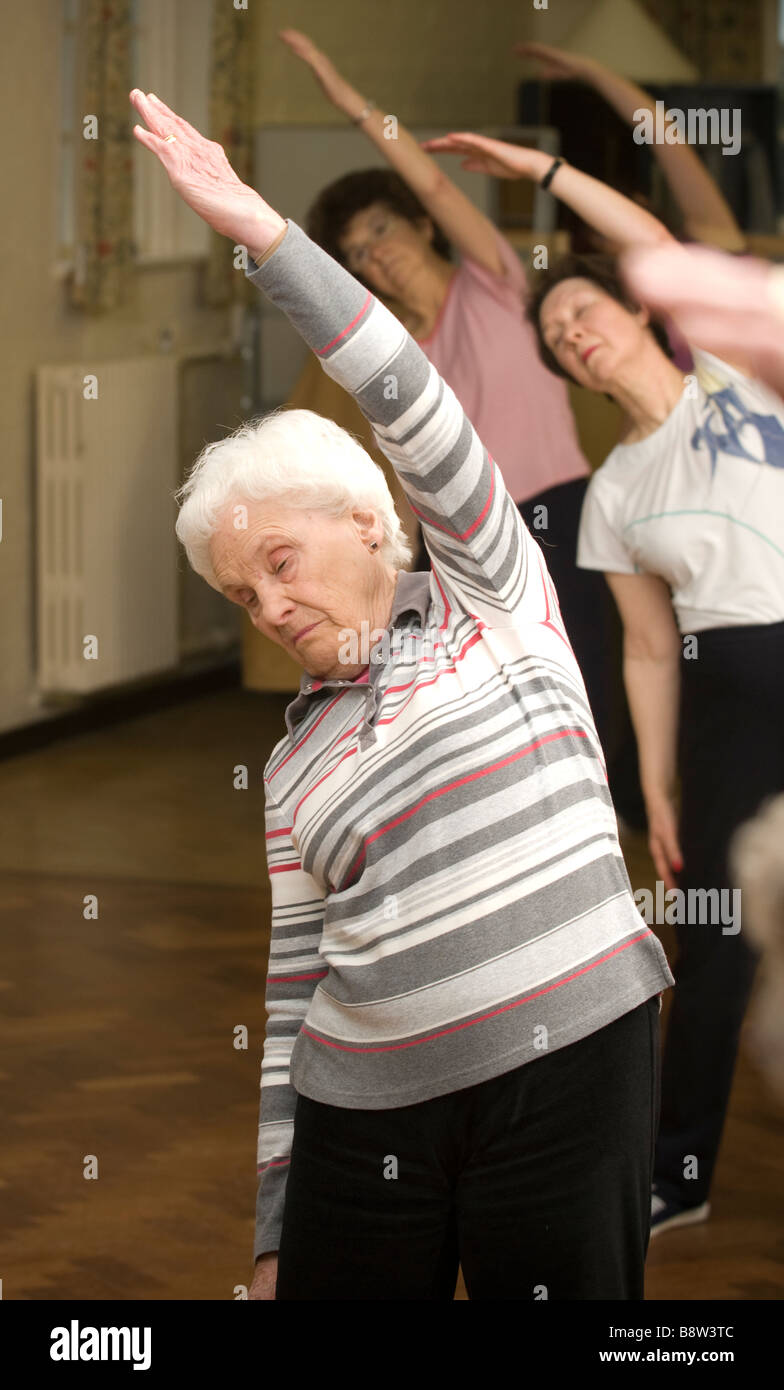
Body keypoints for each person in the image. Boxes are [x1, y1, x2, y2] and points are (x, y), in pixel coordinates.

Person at [130, 87, 674, 1300]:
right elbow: (291, 990)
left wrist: (265, 236)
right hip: (362, 1104)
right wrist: (272, 1227)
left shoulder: (493, 589)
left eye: (279, 562)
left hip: (571, 1055)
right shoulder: (290, 765)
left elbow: (404, 395)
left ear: (376, 524)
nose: (265, 607)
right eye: (239, 593)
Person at [427, 130, 784, 1236]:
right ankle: (677, 1168)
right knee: (714, 937)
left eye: (584, 311)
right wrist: (663, 788)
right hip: (728, 692)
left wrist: (537, 172)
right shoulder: (614, 488)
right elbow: (641, 645)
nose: (571, 333)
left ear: (637, 314)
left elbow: (655, 240)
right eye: (553, 335)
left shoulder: (731, 378)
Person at [280, 28, 644, 828]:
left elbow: (444, 189)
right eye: (357, 254)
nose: (377, 256)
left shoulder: (495, 284)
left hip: (560, 514)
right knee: (490, 716)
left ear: (417, 224)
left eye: (383, 229)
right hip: (463, 547)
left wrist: (353, 107)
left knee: (589, 702)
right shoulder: (395, 349)